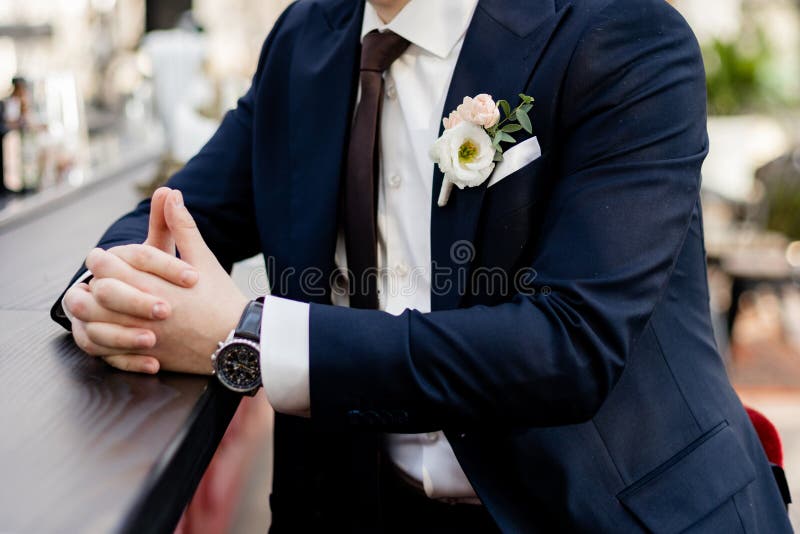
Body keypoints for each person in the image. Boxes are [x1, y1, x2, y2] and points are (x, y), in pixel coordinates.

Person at [51, 0, 792, 532]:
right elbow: (177, 212)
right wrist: (110, 290)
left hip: (602, 505)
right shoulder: (306, 39)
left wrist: (248, 335)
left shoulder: (623, 35)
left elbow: (570, 345)